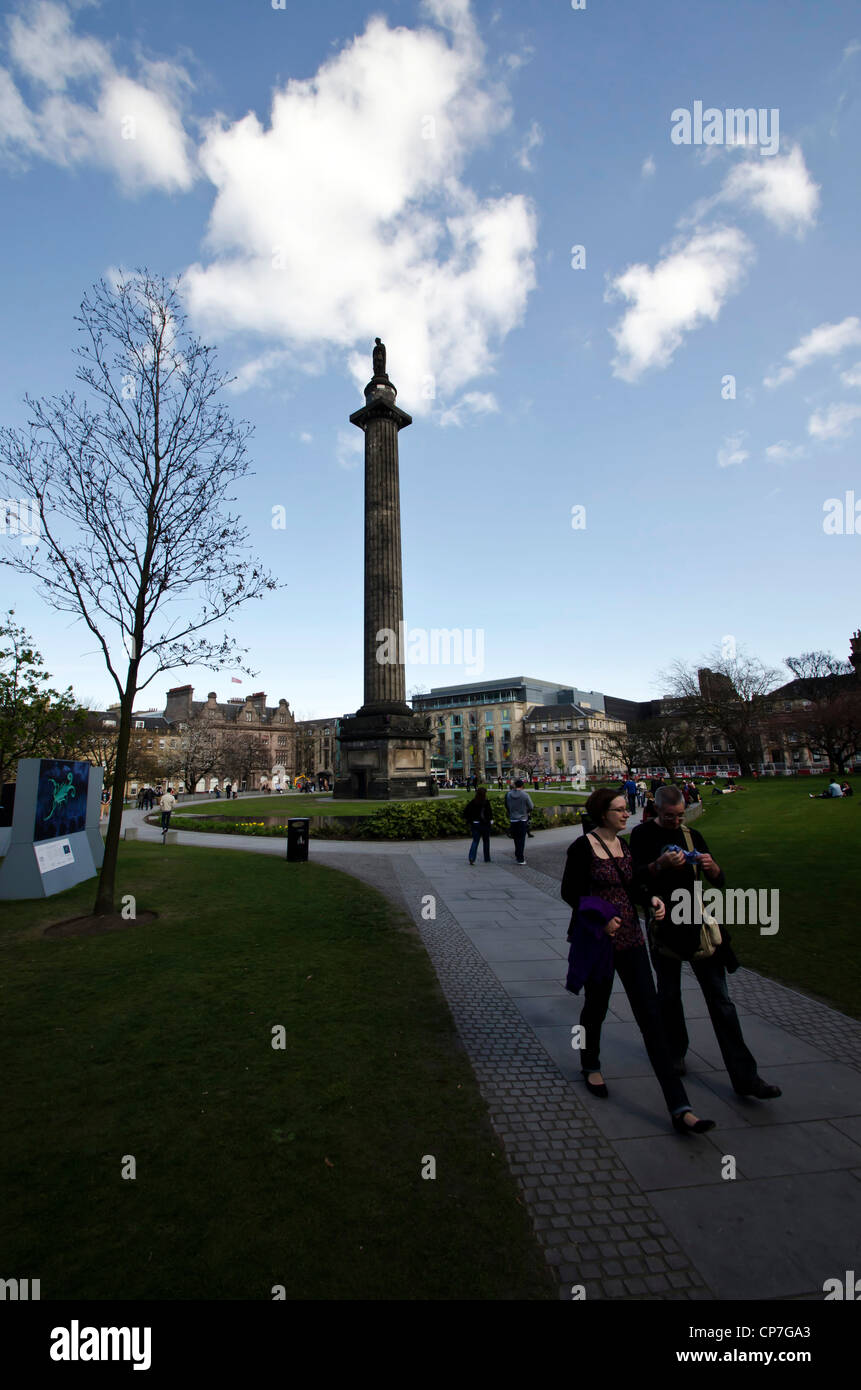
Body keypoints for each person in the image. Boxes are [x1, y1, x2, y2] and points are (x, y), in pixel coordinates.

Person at [561, 787, 715, 1135]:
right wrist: (601, 916)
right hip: (599, 940)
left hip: (631, 938)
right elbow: (570, 892)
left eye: (624, 809)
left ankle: (680, 1106)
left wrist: (652, 900)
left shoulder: (624, 846)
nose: (626, 813)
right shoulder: (582, 847)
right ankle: (590, 1064)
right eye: (619, 809)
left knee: (651, 1017)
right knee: (596, 1007)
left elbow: (631, 884)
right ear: (603, 814)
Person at [630, 785, 781, 1100]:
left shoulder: (691, 836)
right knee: (669, 996)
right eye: (670, 816)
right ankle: (675, 1053)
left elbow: (719, 880)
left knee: (721, 1002)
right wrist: (659, 866)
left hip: (696, 924)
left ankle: (745, 1076)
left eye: (681, 815)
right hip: (664, 926)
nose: (676, 821)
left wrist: (714, 869)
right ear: (657, 810)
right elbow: (635, 880)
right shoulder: (643, 836)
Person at [504, 778, 534, 865]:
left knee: (516, 839)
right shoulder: (525, 795)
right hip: (522, 819)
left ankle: (518, 855)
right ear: (522, 786)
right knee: (521, 839)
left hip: (513, 819)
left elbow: (506, 805)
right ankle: (520, 858)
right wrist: (526, 811)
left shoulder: (509, 794)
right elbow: (531, 806)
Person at [464, 786, 493, 864]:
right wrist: (490, 821)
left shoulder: (473, 802)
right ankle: (487, 858)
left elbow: (466, 812)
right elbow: (489, 814)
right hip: (484, 824)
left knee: (475, 841)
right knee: (486, 841)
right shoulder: (486, 802)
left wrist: (470, 821)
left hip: (475, 824)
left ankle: (472, 857)